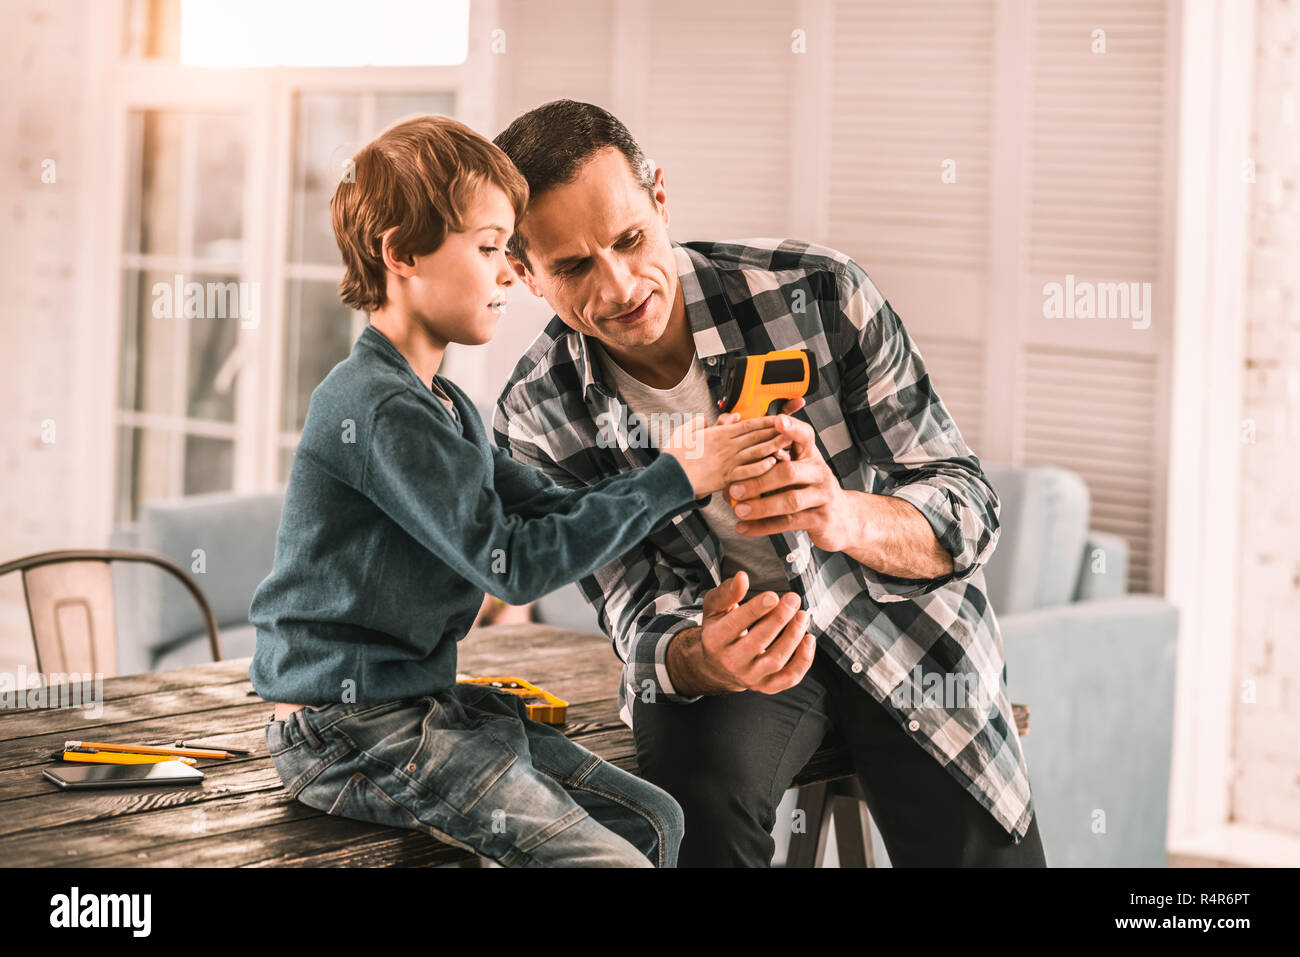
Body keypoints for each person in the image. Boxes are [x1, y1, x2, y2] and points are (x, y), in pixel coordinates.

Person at [492, 100, 1048, 866]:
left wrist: (842, 516)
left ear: (660, 197)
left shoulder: (820, 293)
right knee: (692, 821)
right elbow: (632, 612)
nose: (620, 285)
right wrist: (701, 655)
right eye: (574, 266)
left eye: (629, 239)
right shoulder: (536, 413)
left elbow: (968, 508)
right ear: (523, 273)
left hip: (903, 629)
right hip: (740, 659)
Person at [247, 114, 797, 867]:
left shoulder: (443, 404)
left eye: (508, 251)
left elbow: (552, 508)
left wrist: (686, 472)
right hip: (346, 729)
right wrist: (679, 475)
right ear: (402, 253)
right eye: (487, 249)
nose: (511, 273)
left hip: (417, 709)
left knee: (657, 822)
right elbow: (514, 564)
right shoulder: (375, 408)